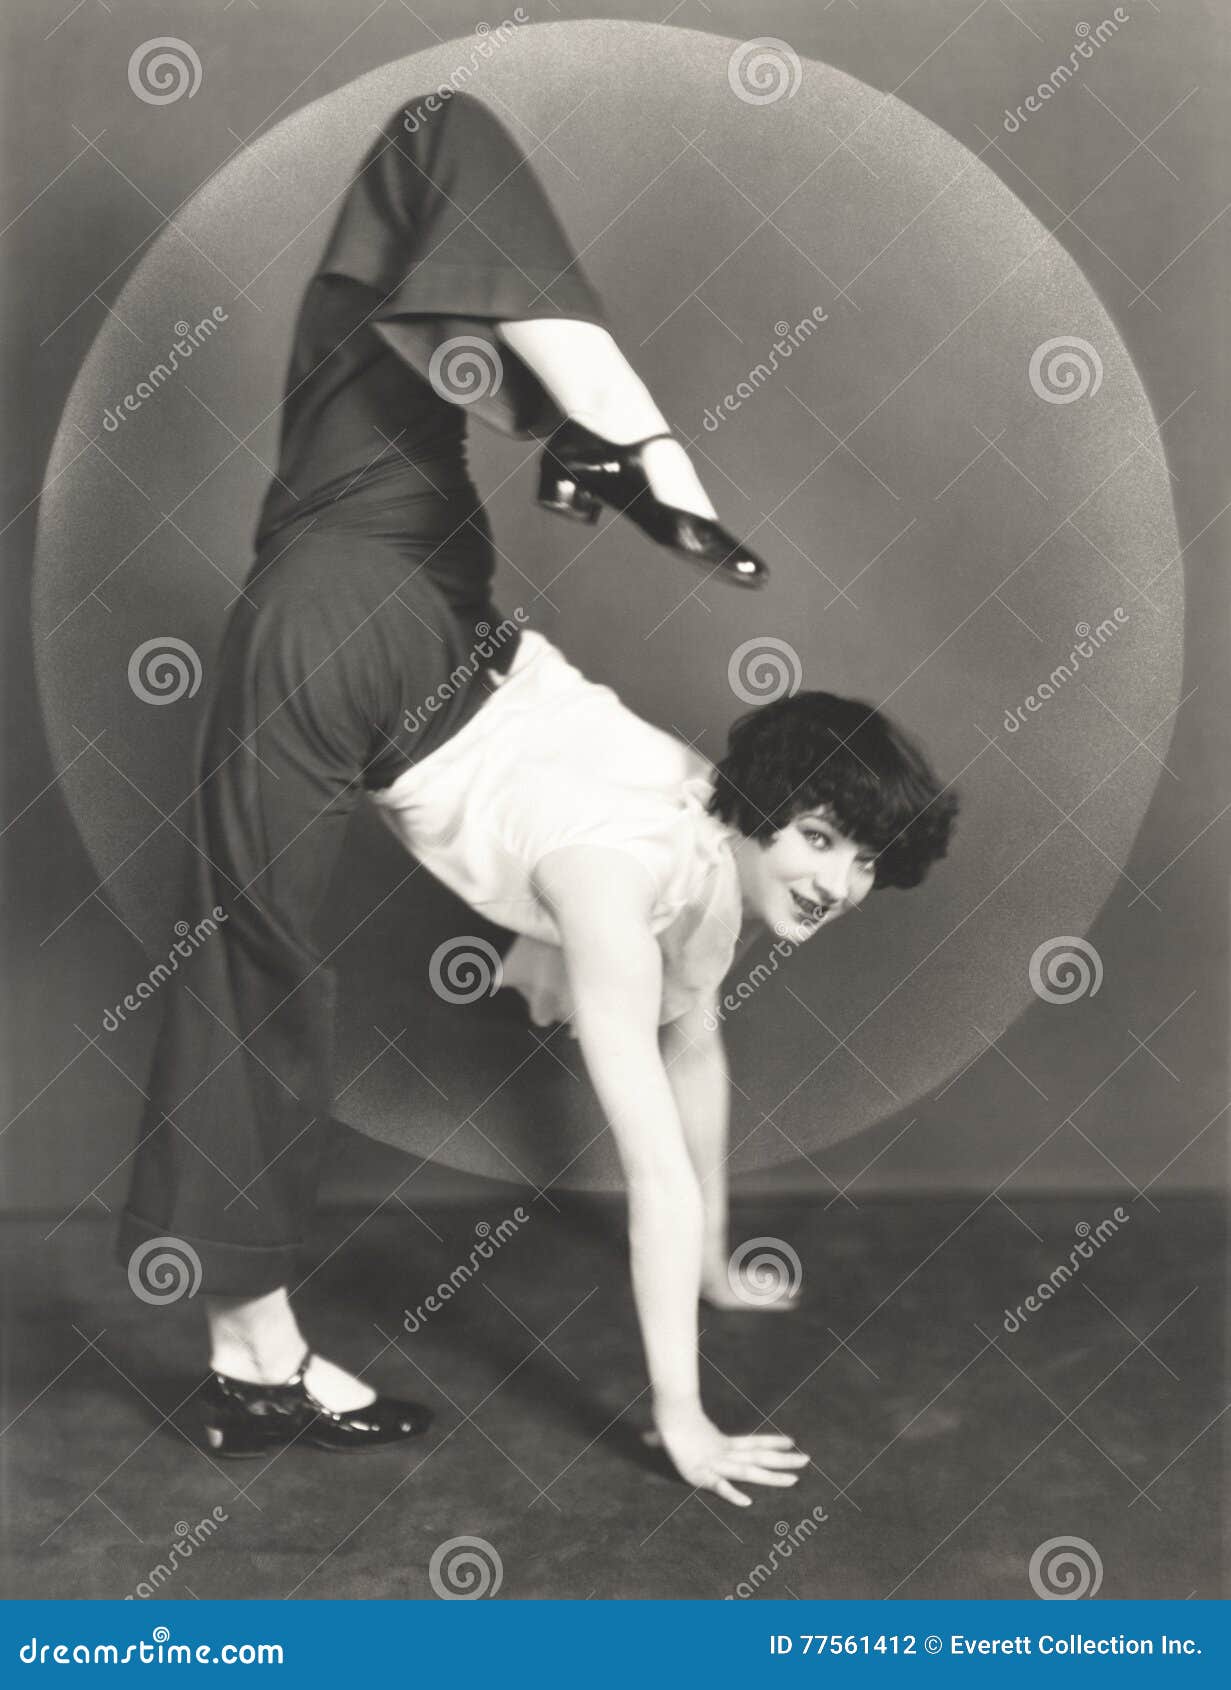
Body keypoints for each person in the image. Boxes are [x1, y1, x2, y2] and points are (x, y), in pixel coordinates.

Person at [116, 91, 958, 1508]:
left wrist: (713, 1261)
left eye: (863, 861)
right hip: (379, 636)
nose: (836, 878)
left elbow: (697, 1065)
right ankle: (627, 437)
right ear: (761, 809)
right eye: (822, 835)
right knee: (435, 135)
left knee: (429, 158)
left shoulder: (705, 881)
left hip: (395, 565)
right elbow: (653, 1158)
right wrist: (682, 1414)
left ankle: (255, 1361)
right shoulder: (634, 898)